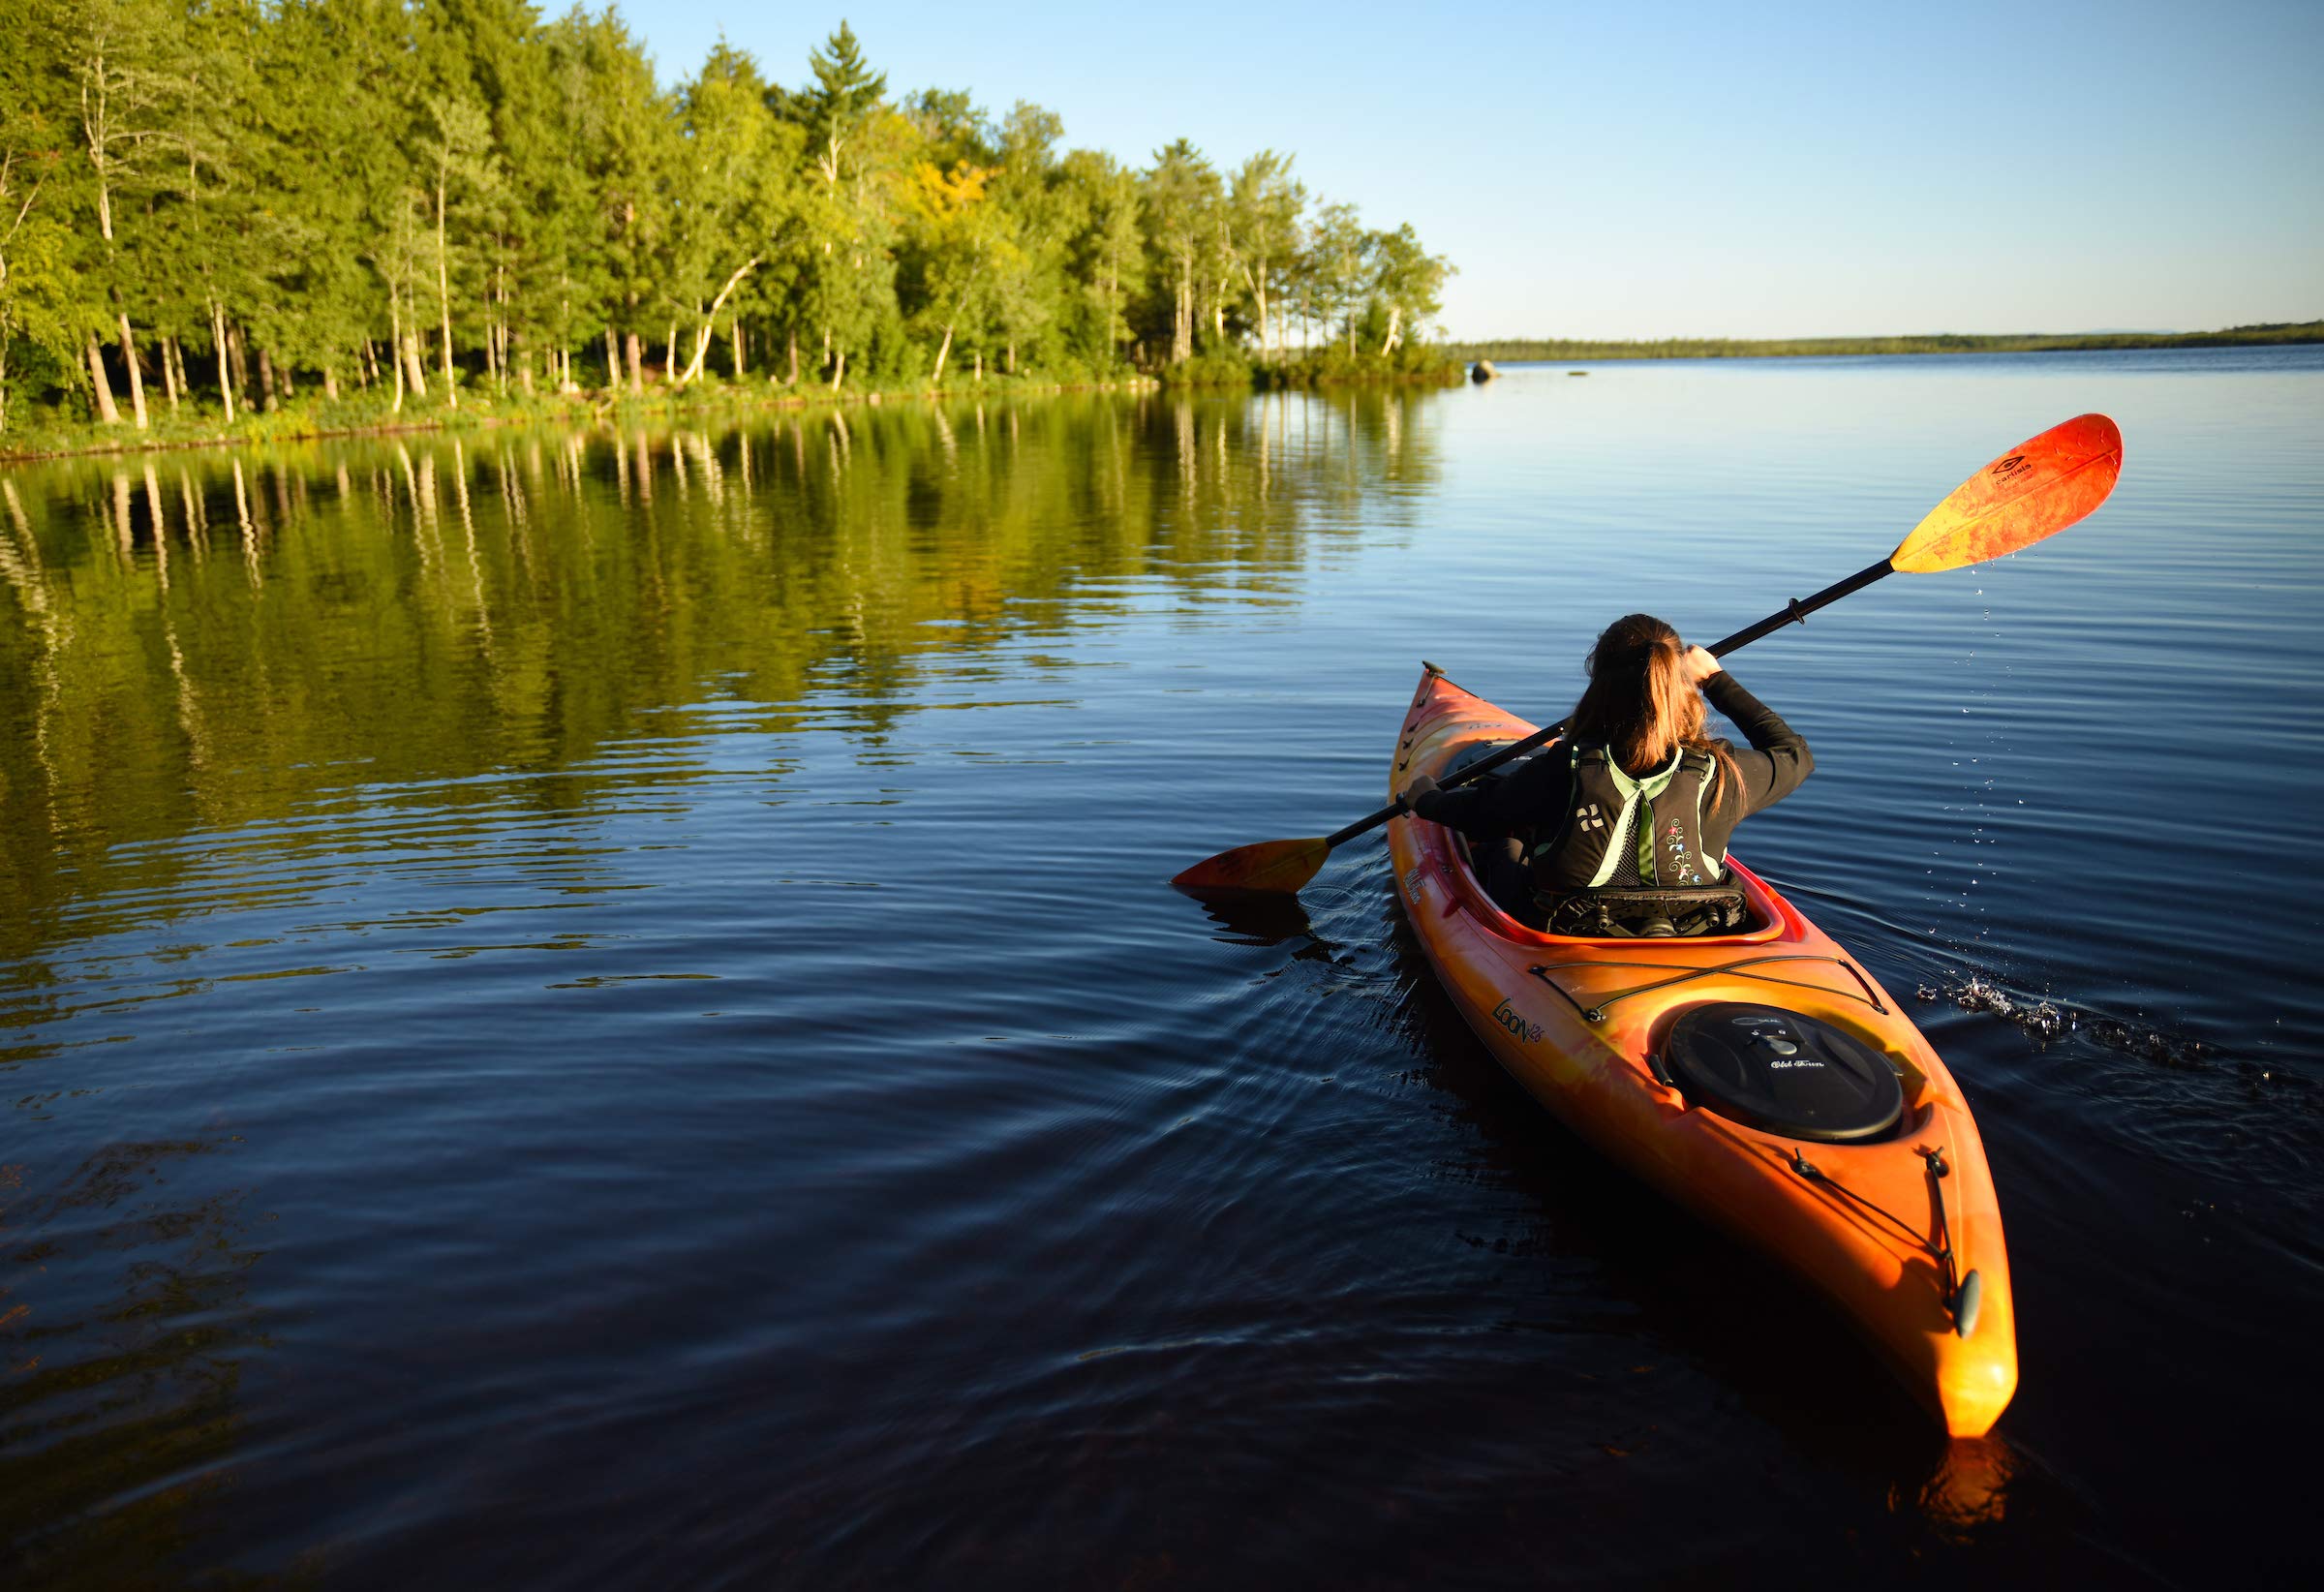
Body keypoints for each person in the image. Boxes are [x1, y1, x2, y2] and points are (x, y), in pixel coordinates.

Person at [1397, 614, 1813, 934]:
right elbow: (1794, 754)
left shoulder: (1564, 768)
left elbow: (1481, 812)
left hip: (1567, 928)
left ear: (1599, 682)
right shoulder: (1724, 771)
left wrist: (1426, 798)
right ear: (1678, 681)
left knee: (1506, 841)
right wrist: (1717, 681)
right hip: (1698, 926)